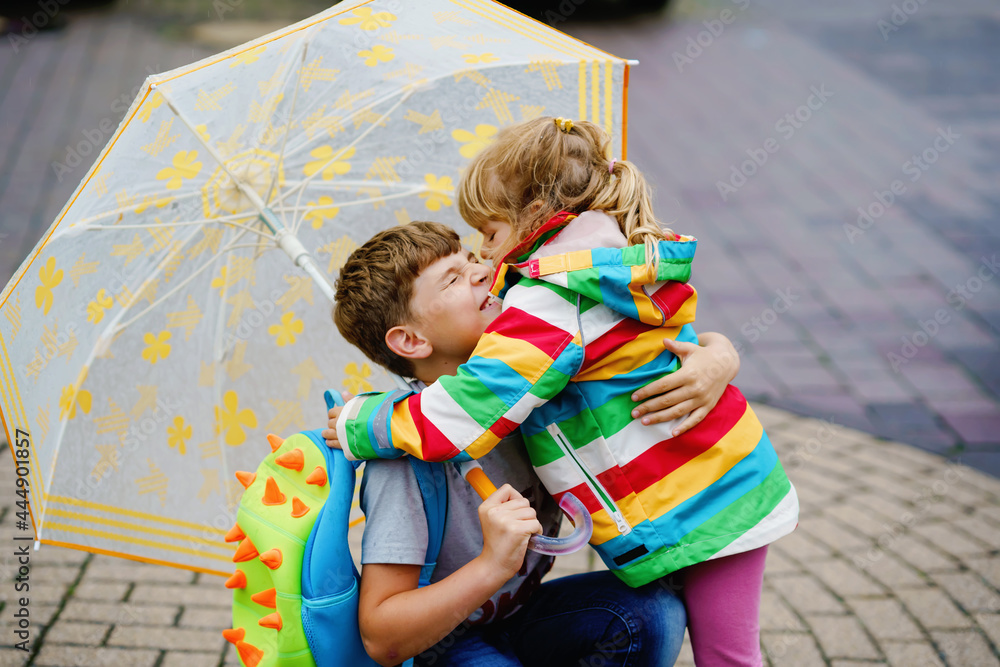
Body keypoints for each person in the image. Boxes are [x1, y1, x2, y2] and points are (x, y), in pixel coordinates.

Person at [330, 117, 800, 666]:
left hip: (698, 503)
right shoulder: (412, 451)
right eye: (455, 279)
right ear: (409, 338)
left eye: (481, 249)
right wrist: (366, 428)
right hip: (449, 642)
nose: (486, 268)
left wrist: (720, 355)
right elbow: (382, 637)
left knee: (678, 628)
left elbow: (645, 345)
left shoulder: (540, 338)